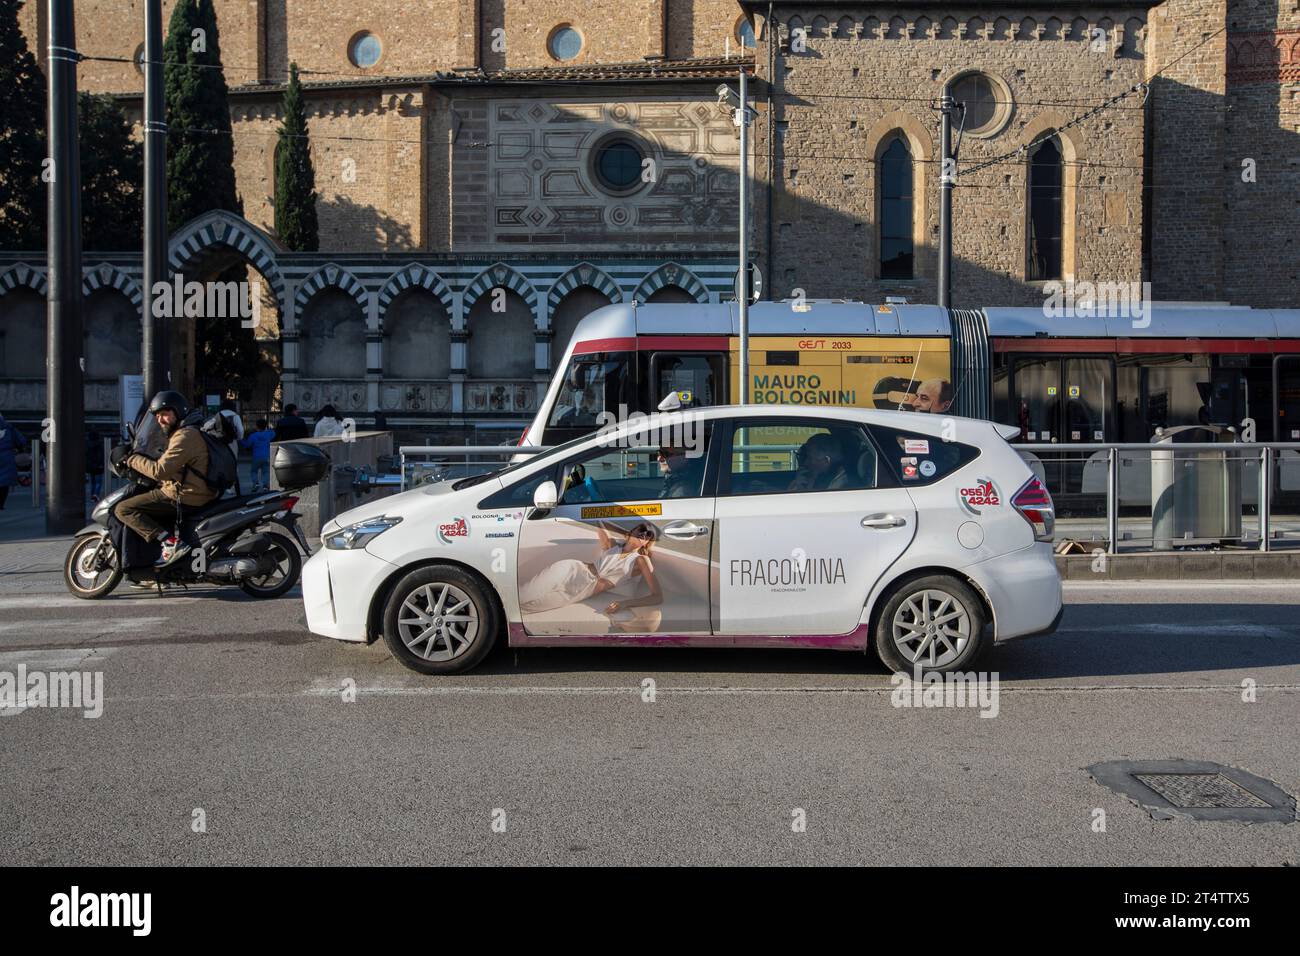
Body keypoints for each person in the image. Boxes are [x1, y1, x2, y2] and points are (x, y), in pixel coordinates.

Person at [113, 391, 218, 567]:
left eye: (165, 415)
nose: (161, 420)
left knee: (123, 508)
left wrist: (131, 459)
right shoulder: (188, 430)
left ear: (178, 413)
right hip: (196, 491)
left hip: (184, 495)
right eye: (157, 416)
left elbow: (159, 471)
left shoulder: (185, 436)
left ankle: (170, 542)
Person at [519, 522, 661, 618]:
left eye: (649, 535)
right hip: (570, 570)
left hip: (583, 590)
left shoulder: (641, 560)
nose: (644, 534)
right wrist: (627, 533)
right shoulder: (612, 545)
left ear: (649, 542)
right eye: (642, 530)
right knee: (524, 595)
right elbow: (599, 522)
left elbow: (657, 596)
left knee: (528, 609)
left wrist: (625, 604)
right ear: (631, 532)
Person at [0, 413, 29, 511]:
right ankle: (1, 504)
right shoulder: (9, 428)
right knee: (4, 482)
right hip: (7, 456)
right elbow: (22, 441)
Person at [241, 418, 275, 492]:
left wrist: (241, 440)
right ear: (266, 426)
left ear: (256, 426)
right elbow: (274, 433)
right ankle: (265, 485)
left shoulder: (253, 435)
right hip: (266, 456)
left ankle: (256, 483)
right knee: (266, 472)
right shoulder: (269, 434)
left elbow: (247, 445)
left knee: (254, 471)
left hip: (256, 457)